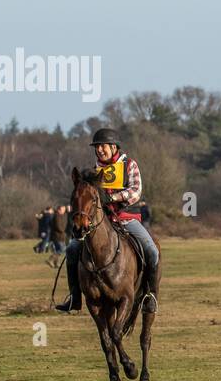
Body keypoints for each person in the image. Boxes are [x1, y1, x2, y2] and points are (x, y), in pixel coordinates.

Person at [56, 128, 160, 314]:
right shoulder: (94, 171)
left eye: (102, 146)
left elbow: (136, 191)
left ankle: (149, 296)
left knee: (151, 250)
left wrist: (112, 198)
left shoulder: (129, 165)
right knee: (72, 249)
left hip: (127, 218)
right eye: (97, 148)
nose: (99, 150)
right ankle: (75, 297)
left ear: (113, 147)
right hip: (102, 222)